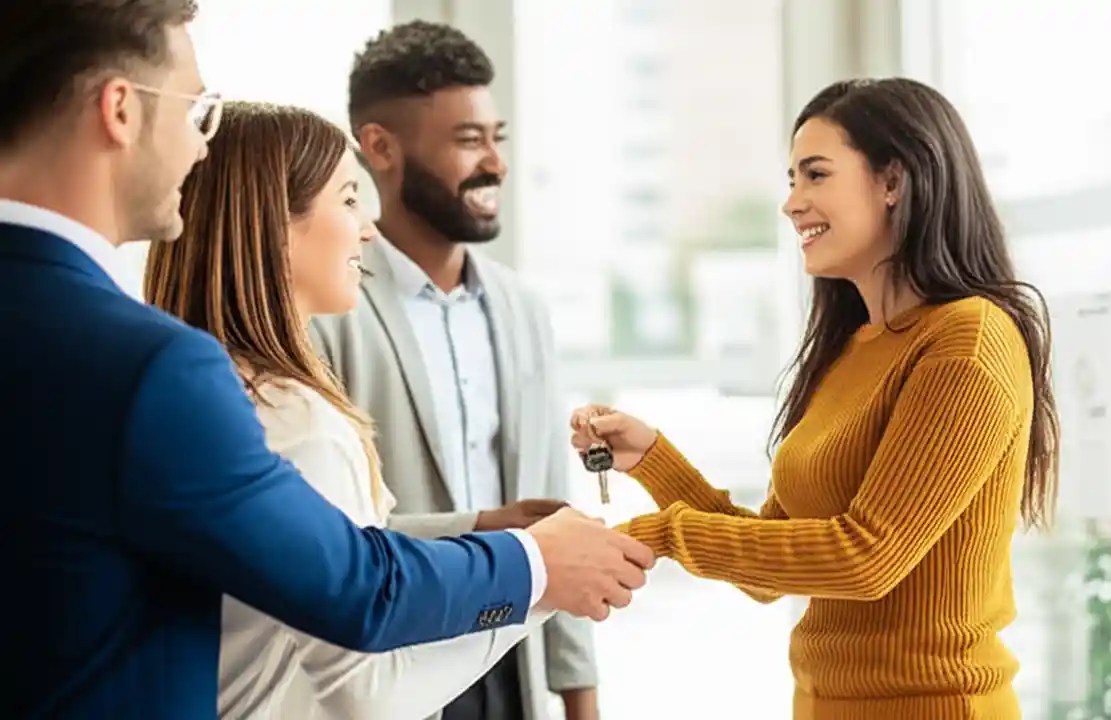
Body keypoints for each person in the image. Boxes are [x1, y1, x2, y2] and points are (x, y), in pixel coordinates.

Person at [0, 3, 652, 718]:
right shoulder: (159, 371)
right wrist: (542, 570)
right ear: (120, 110)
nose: (199, 149)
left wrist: (490, 531)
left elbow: (310, 544)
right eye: (195, 111)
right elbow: (352, 590)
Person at [570, 78, 1061, 720]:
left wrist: (664, 534)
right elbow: (771, 562)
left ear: (893, 180)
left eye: (816, 174)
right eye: (791, 179)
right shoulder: (854, 346)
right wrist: (653, 460)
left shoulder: (967, 340)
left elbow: (866, 558)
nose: (791, 203)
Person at [144, 100, 559, 719]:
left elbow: (338, 555)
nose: (369, 228)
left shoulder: (195, 400)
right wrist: (546, 583)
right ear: (273, 226)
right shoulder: (298, 424)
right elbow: (368, 693)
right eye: (347, 199)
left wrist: (482, 527)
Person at [311, 22, 598, 720]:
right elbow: (329, 539)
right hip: (391, 672)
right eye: (469, 140)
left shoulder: (523, 309)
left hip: (514, 667)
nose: (496, 163)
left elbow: (553, 508)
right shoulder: (325, 314)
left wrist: (581, 700)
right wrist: (487, 531)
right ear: (381, 148)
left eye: (498, 137)